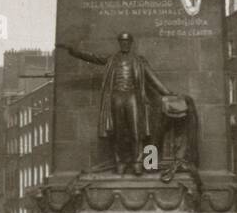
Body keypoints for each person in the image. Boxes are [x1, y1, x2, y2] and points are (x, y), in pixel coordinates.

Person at [57, 33, 172, 175]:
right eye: (122, 42)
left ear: (131, 43)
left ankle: (137, 163)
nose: (125, 44)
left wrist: (167, 93)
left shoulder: (138, 61)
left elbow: (152, 78)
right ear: (119, 43)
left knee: (136, 131)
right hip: (116, 97)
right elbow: (92, 57)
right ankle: (121, 162)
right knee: (119, 132)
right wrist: (73, 51)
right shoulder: (112, 59)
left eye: (127, 41)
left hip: (133, 97)